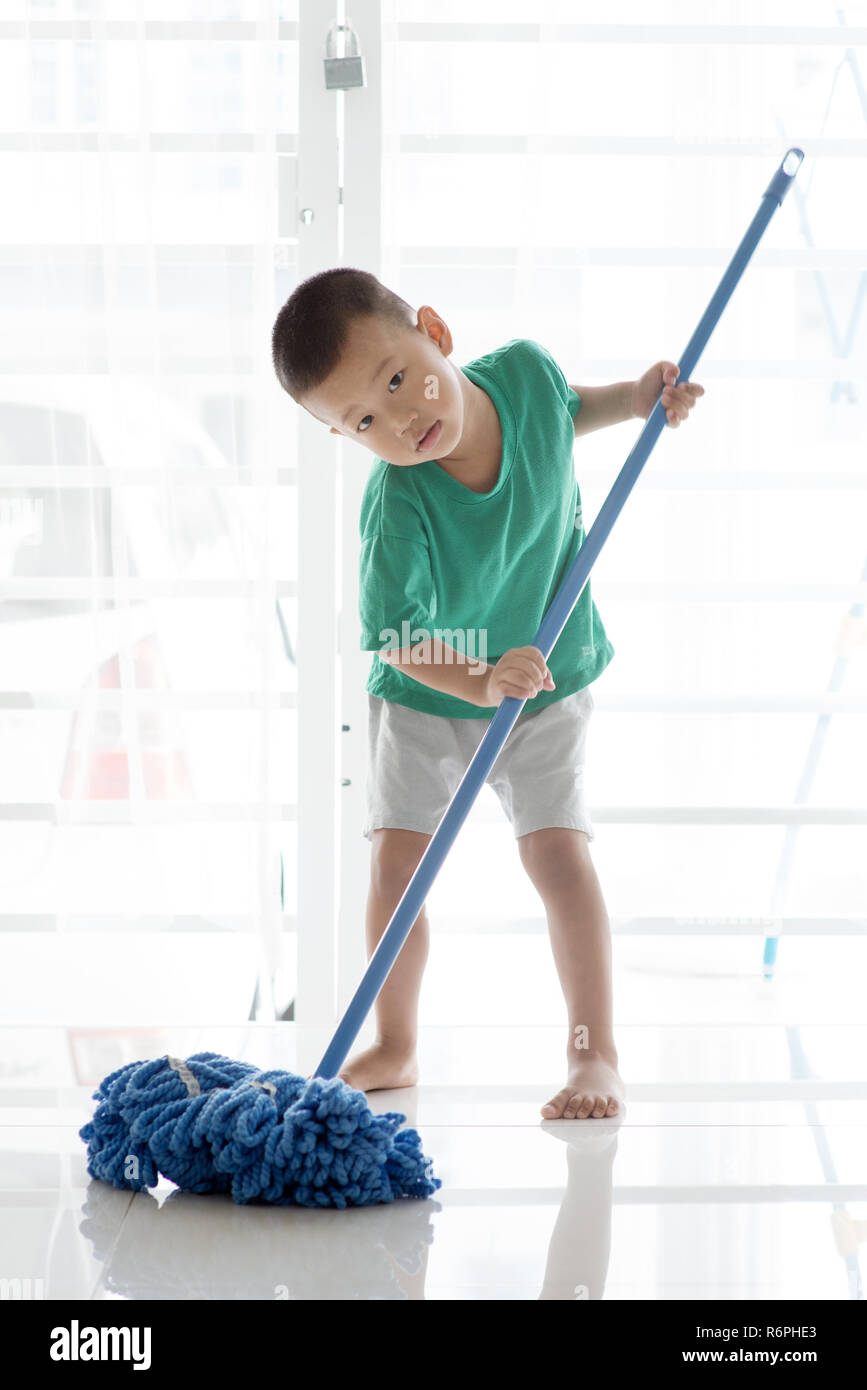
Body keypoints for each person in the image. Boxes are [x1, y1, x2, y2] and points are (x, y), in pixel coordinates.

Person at [272, 267, 703, 1119]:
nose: (400, 420)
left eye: (397, 380)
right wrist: (477, 676)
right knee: (398, 871)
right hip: (429, 694)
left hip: (546, 676)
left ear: (433, 329)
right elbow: (396, 632)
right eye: (364, 420)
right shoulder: (397, 503)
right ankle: (394, 1044)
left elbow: (570, 411)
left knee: (557, 859)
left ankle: (594, 1054)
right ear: (343, 436)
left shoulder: (526, 376)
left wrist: (639, 398)